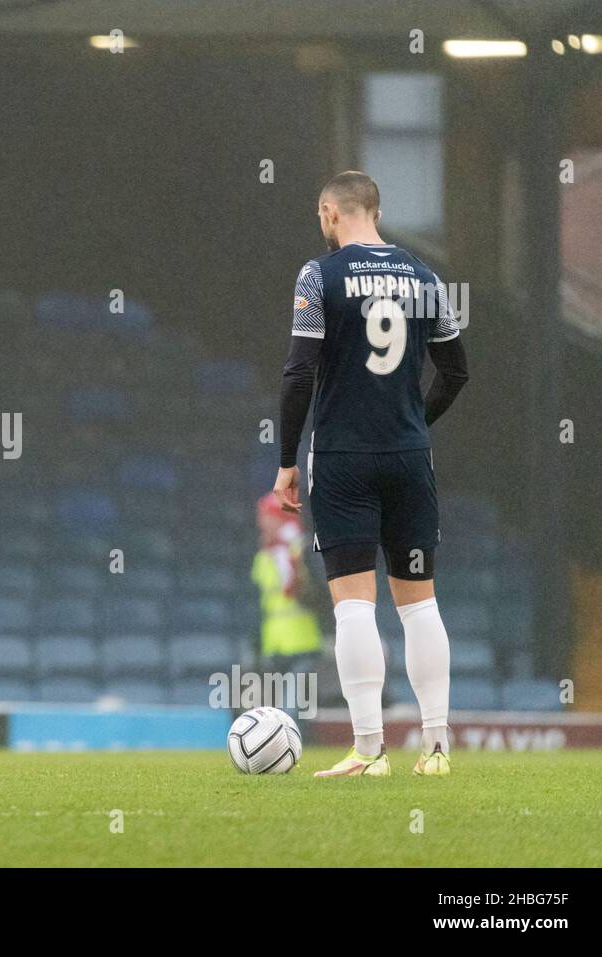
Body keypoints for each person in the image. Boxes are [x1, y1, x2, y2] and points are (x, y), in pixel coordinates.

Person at [273, 170, 469, 778]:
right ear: (376, 212)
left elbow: (299, 373)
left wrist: (285, 462)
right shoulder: (425, 274)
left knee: (354, 608)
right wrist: (414, 422)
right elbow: (456, 371)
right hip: (408, 457)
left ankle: (368, 751)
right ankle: (436, 749)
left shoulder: (318, 275)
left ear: (330, 212)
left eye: (321, 217)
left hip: (343, 460)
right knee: (420, 606)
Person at [251, 492, 322, 686]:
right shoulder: (264, 556)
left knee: (294, 709)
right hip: (273, 646)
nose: (262, 523)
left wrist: (297, 571)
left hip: (303, 644)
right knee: (273, 709)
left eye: (267, 517)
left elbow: (321, 596)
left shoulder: (304, 551)